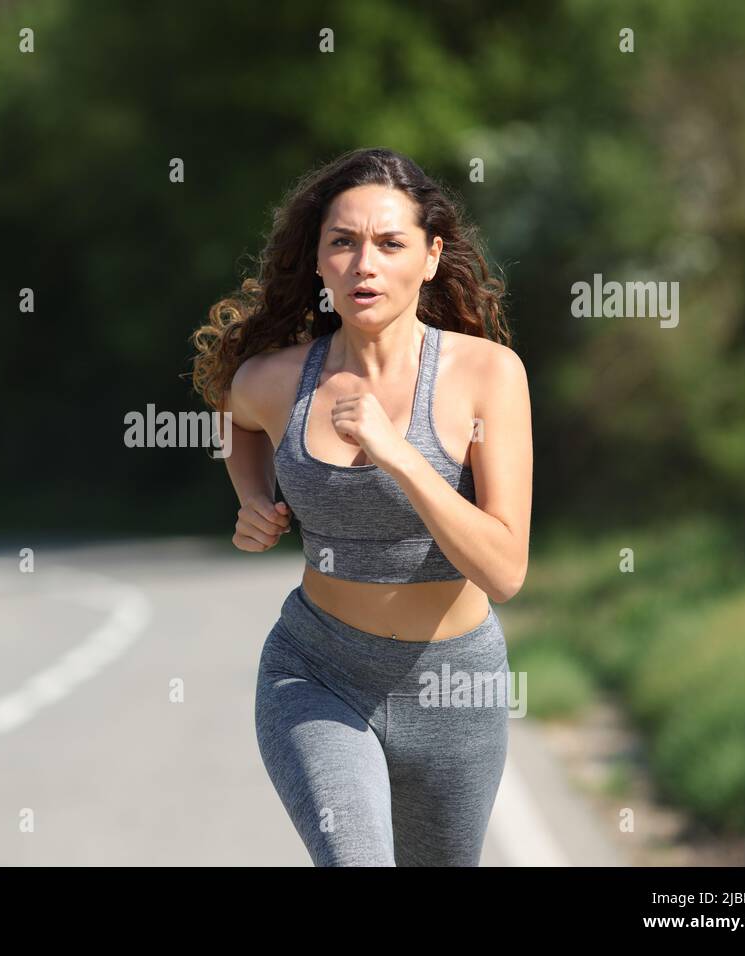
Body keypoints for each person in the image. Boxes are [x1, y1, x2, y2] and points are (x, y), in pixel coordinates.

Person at [188, 148, 533, 866]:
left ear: (432, 257)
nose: (363, 264)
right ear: (318, 262)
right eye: (342, 243)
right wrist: (252, 496)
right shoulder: (279, 380)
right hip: (316, 673)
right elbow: (236, 415)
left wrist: (399, 453)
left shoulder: (485, 376)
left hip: (453, 689)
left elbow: (504, 570)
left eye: (389, 243)